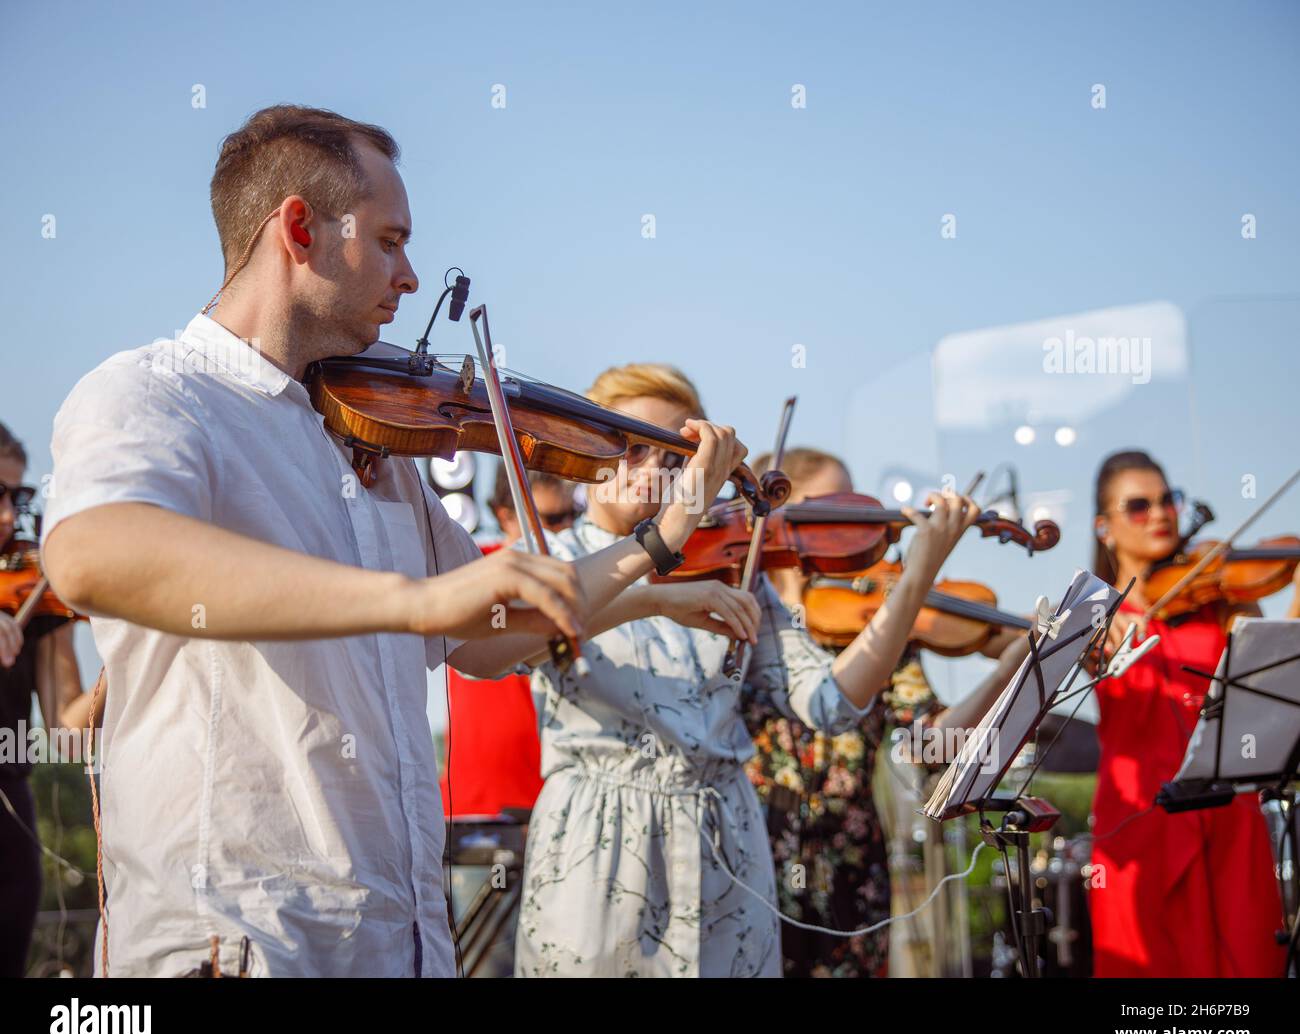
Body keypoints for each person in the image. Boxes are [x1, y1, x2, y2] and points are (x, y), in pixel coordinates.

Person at [38, 105, 747, 978]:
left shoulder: (372, 443)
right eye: (389, 240)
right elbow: (92, 554)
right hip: (243, 939)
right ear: (298, 229)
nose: (410, 276)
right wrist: (411, 600)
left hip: (400, 937)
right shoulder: (154, 393)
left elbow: (486, 642)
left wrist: (660, 538)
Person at [511, 364, 985, 977]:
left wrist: (916, 577)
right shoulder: (551, 559)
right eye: (631, 449)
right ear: (588, 450)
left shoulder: (733, 568)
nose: (653, 471)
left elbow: (831, 703)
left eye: (676, 457)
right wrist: (651, 594)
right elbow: (511, 648)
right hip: (598, 848)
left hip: (723, 847)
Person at [741, 447, 1028, 977]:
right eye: (837, 507)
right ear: (781, 504)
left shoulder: (882, 625)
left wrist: (1009, 666)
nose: (856, 528)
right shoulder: (744, 606)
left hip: (853, 862)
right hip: (754, 846)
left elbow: (933, 743)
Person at [1084, 449, 1293, 977]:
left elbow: (1274, 671)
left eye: (1167, 500)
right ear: (1103, 527)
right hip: (1139, 828)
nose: (1159, 514)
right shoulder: (1094, 614)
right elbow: (1021, 641)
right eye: (1138, 506)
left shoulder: (1217, 596)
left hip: (1229, 822)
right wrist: (1085, 623)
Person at [0, 422, 96, 977]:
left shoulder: (36, 582)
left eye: (20, 497)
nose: (12, 519)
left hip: (8, 815)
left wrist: (125, 671)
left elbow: (66, 730)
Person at [439, 465, 580, 819]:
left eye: (571, 517)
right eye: (552, 519)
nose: (565, 531)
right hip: (478, 804)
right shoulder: (473, 565)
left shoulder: (576, 582)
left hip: (560, 804)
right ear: (506, 516)